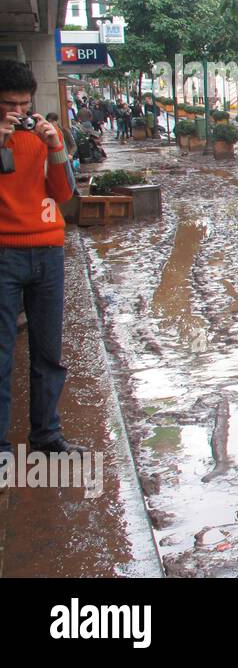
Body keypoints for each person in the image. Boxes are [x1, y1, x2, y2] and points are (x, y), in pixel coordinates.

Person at [0, 60, 82, 467]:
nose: (17, 112)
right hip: (4, 252)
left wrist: (55, 146)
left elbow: (64, 192)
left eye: (24, 103)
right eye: (8, 105)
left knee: (49, 352)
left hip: (48, 251)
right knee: (2, 356)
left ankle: (47, 435)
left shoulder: (40, 135)